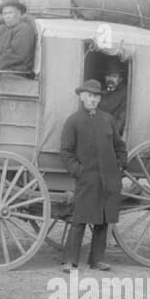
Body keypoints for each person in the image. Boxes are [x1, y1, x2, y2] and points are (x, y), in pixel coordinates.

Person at [59, 79, 128, 271]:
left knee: (103, 220)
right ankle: (69, 261)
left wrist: (119, 166)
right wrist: (79, 172)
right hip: (87, 179)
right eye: (89, 96)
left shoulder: (107, 120)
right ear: (81, 97)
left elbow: (119, 146)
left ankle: (96, 260)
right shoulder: (73, 121)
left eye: (96, 96)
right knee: (79, 219)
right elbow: (66, 152)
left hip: (108, 179)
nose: (93, 100)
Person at [100, 67, 129, 137]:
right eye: (108, 76)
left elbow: (122, 118)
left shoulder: (125, 93)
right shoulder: (100, 90)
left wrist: (111, 134)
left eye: (114, 76)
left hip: (112, 133)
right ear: (104, 77)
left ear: (120, 79)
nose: (110, 79)